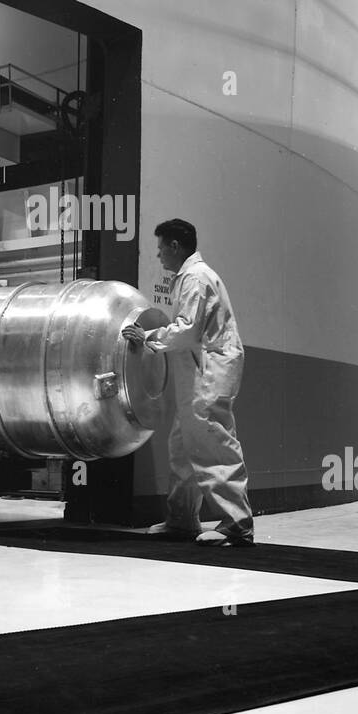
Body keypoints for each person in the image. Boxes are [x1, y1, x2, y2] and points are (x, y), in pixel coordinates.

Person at [121, 219, 253, 546]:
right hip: (199, 369)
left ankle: (237, 524)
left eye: (161, 247)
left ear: (175, 246)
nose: (158, 255)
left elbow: (187, 329)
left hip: (209, 369)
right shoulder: (190, 277)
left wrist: (147, 336)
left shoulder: (195, 277)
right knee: (182, 446)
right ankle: (181, 519)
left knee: (211, 441)